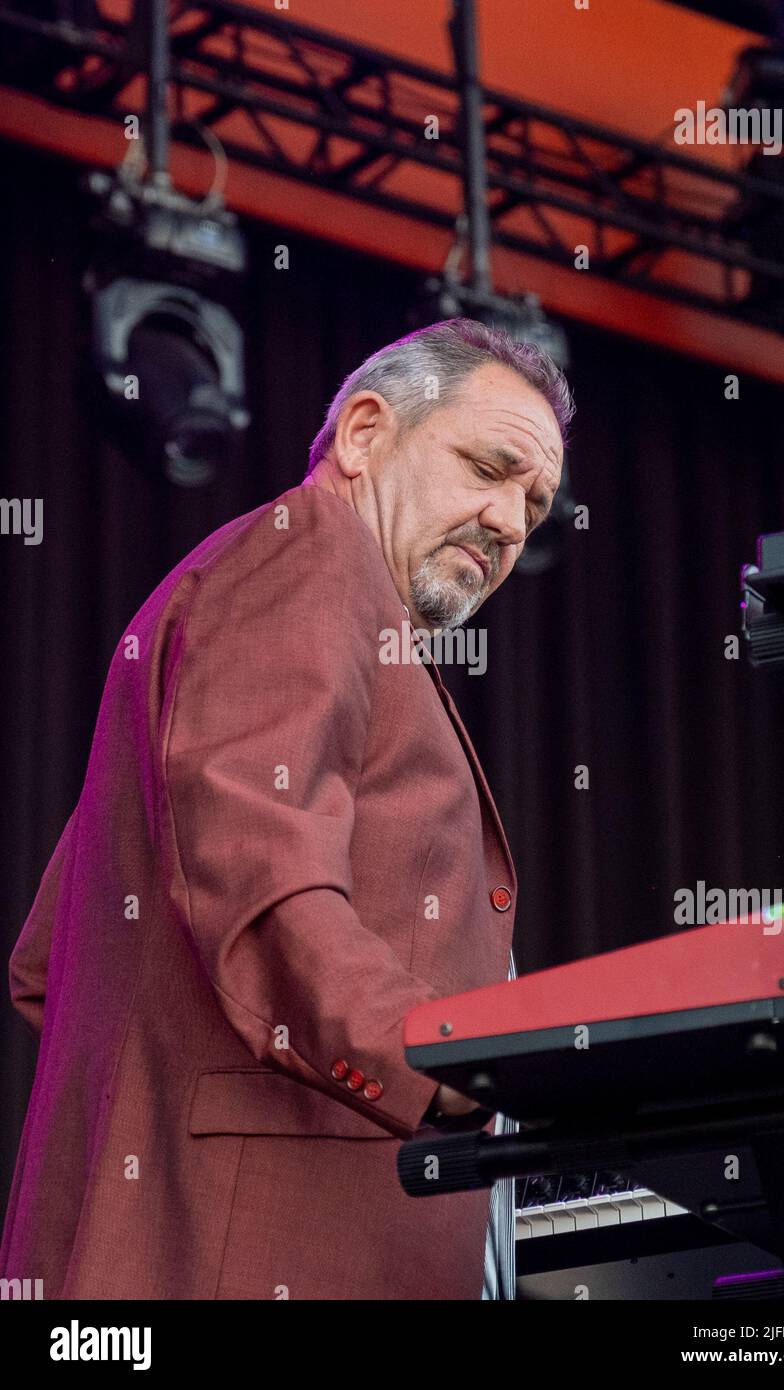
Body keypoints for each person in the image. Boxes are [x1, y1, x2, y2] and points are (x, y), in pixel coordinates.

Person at [1, 317, 571, 1300]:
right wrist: (469, 1066)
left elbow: (49, 963)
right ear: (361, 434)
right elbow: (266, 878)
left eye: (533, 503)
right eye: (489, 467)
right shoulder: (310, 561)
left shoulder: (299, 594)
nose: (511, 521)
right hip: (252, 1248)